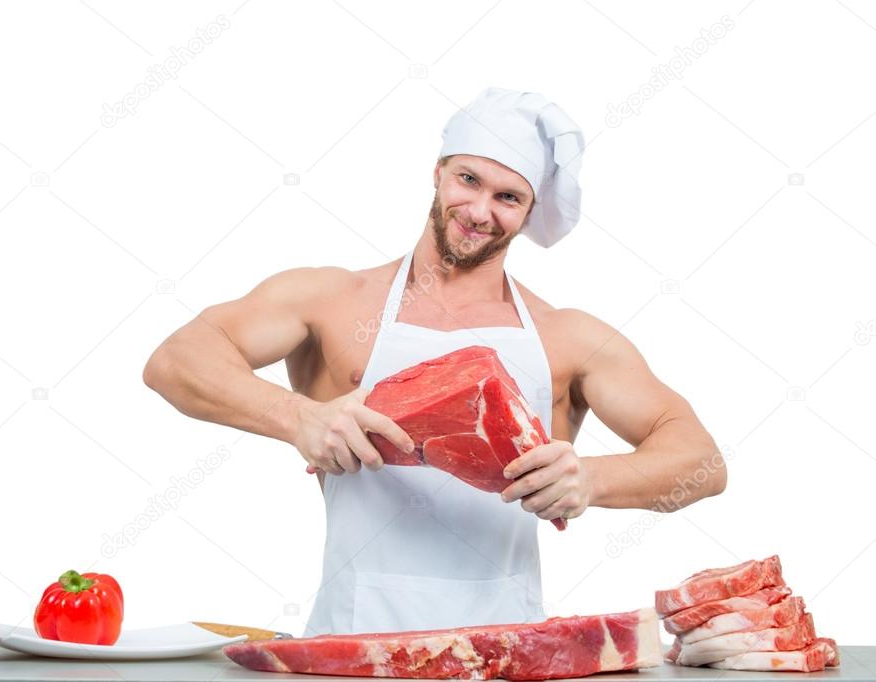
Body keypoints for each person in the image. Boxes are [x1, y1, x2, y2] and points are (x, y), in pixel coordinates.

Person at [143, 87, 726, 636]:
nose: (478, 210)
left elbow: (701, 460)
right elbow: (176, 359)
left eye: (508, 197)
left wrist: (594, 479)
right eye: (468, 179)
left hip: (511, 649)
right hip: (347, 644)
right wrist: (297, 417)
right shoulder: (330, 300)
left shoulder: (567, 336)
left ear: (528, 213)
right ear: (438, 173)